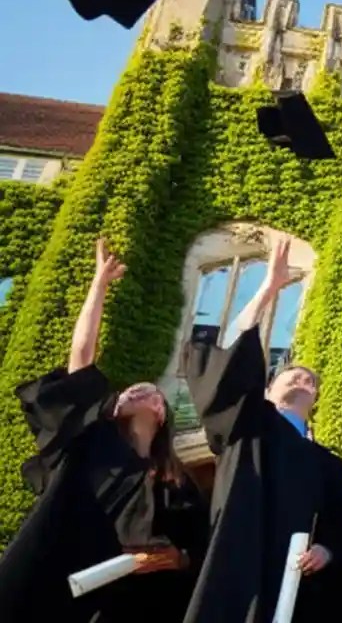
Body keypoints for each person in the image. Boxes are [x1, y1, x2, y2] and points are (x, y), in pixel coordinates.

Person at [0, 239, 208, 623]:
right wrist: (99, 284)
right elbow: (81, 359)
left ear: (162, 415)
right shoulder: (89, 440)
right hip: (59, 578)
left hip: (136, 603)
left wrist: (176, 558)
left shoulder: (178, 485)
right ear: (115, 406)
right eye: (132, 390)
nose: (143, 389)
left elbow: (199, 550)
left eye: (152, 391)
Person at [183, 239, 342, 623]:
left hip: (295, 590)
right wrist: (268, 289)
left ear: (316, 397)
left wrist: (327, 553)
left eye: (310, 379)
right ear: (266, 389)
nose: (302, 377)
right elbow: (230, 360)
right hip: (238, 564)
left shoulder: (329, 464)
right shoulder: (250, 423)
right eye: (291, 374)